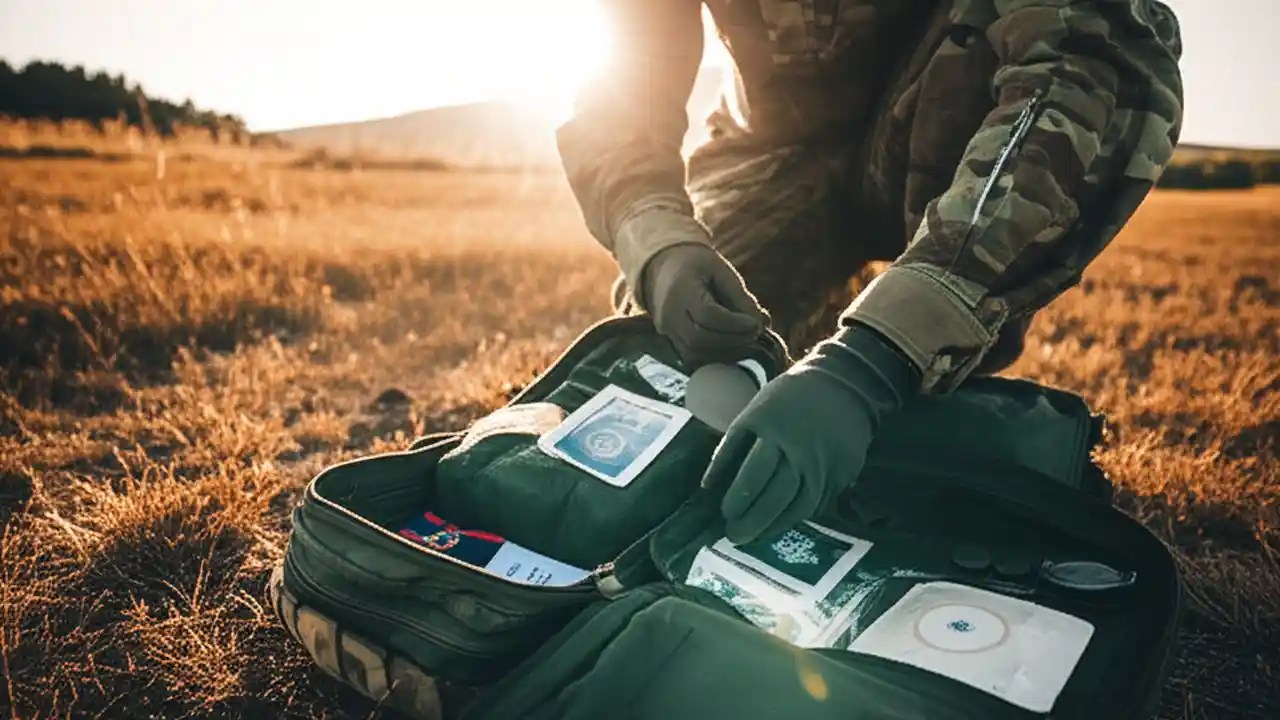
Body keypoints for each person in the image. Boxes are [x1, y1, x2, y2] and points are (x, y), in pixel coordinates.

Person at [557, 0, 1183, 544]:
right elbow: (619, 84)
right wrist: (661, 243)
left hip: (955, 127)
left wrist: (873, 363)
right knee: (675, 366)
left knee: (1096, 33)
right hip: (773, 149)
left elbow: (1093, 46)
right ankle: (847, 384)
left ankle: (917, 357)